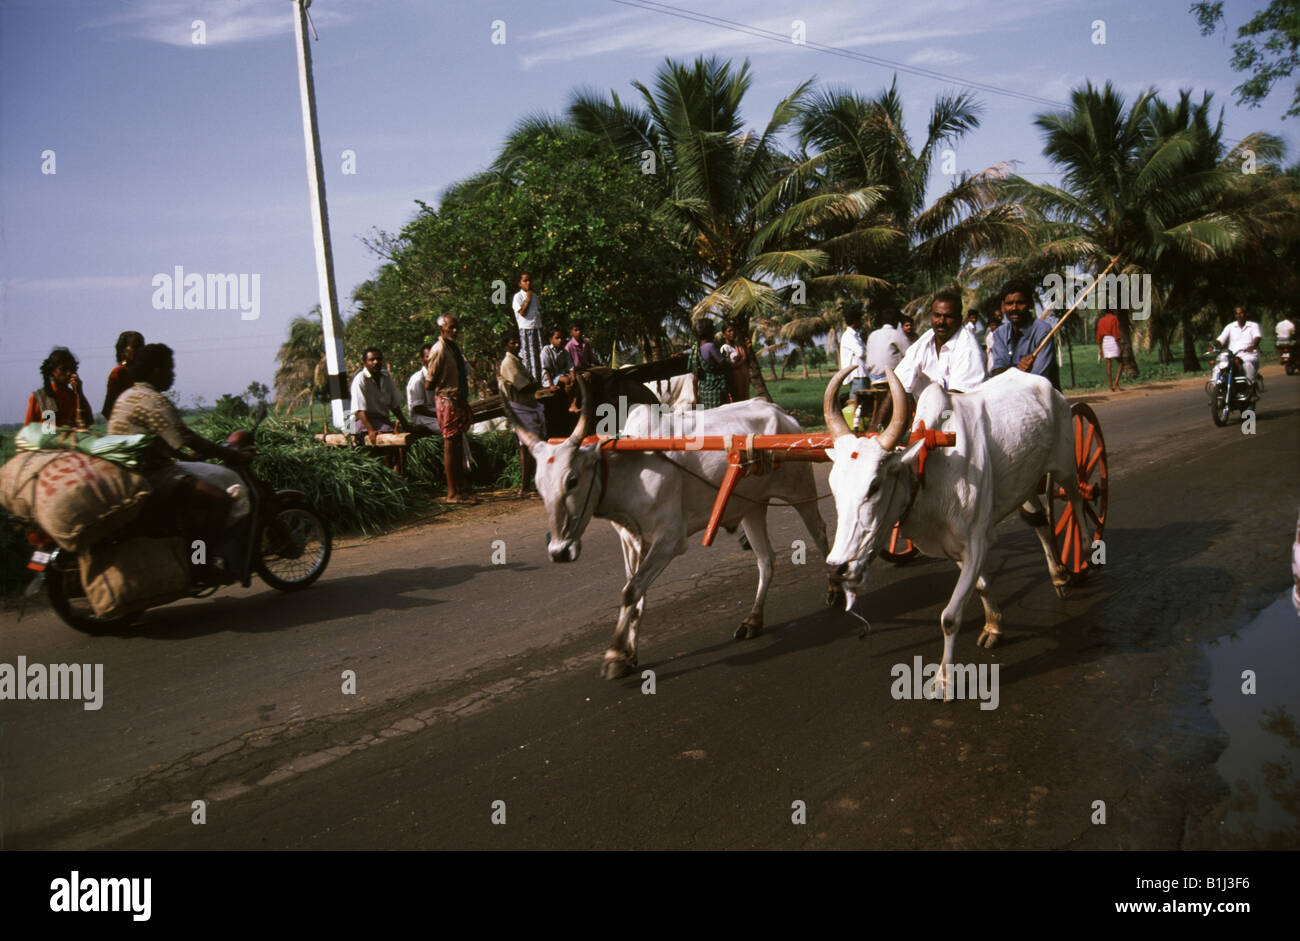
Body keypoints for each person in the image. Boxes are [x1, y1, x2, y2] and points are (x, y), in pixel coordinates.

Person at [107, 343, 238, 581]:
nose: (173, 375)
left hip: (127, 472)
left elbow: (160, 439)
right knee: (219, 499)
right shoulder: (153, 400)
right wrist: (231, 455)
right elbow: (187, 437)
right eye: (170, 369)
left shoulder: (128, 395)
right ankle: (202, 564)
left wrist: (184, 457)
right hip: (150, 475)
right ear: (157, 371)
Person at [893, 291, 987, 400]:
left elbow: (954, 404)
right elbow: (896, 386)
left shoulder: (968, 349)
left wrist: (939, 418)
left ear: (960, 319)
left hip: (957, 412)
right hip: (928, 412)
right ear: (931, 316)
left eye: (948, 316)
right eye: (937, 315)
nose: (941, 321)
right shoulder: (924, 342)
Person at [426, 314, 476, 504]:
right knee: (450, 445)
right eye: (451, 328)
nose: (455, 331)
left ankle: (459, 488)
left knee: (456, 445)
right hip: (447, 400)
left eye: (457, 328)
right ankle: (451, 493)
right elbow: (429, 383)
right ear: (442, 328)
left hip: (456, 400)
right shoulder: (439, 350)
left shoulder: (453, 347)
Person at [989, 279, 1060, 391]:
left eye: (1020, 303)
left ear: (1030, 304)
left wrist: (1010, 373)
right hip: (1008, 395)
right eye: (1009, 303)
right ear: (1003, 306)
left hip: (1041, 397)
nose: (1014, 308)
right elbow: (997, 371)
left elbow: (1038, 379)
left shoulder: (1042, 331)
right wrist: (1017, 371)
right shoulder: (1000, 333)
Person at [499, 330, 545, 498]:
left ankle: (530, 484)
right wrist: (535, 383)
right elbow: (524, 386)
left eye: (518, 342)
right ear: (506, 345)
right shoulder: (508, 363)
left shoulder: (517, 361)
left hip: (527, 406)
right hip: (520, 407)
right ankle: (524, 487)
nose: (517, 345)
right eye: (513, 343)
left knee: (531, 446)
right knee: (526, 447)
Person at [349, 348, 408, 445]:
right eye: (372, 360)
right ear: (364, 363)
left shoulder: (385, 376)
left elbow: (394, 404)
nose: (376, 362)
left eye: (379, 359)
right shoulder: (360, 380)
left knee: (402, 432)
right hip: (364, 422)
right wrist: (371, 430)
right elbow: (359, 410)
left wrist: (405, 423)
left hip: (382, 421)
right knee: (390, 435)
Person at [24, 347, 93, 429]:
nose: (68, 373)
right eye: (63, 369)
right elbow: (48, 431)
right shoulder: (43, 396)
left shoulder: (73, 396)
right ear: (52, 371)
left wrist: (79, 393)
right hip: (50, 440)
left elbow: (88, 422)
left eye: (71, 369)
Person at [864, 315, 910, 431]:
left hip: (873, 377)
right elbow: (910, 352)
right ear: (895, 322)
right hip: (889, 378)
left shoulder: (873, 335)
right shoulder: (896, 334)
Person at [1213, 303, 1263, 392]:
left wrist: (1254, 345)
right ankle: (1216, 390)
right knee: (1218, 366)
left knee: (1247, 364)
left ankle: (1251, 388)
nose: (1239, 315)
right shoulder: (1230, 326)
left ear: (1246, 314)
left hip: (1248, 354)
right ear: (1235, 315)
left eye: (1241, 313)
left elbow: (1257, 337)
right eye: (1237, 313)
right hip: (1232, 355)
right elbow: (1221, 339)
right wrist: (1215, 344)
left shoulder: (1253, 325)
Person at [838, 308, 869, 430]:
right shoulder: (849, 336)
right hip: (857, 374)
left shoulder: (856, 335)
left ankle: (861, 427)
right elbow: (861, 352)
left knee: (863, 403)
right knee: (857, 403)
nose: (861, 322)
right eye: (860, 320)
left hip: (862, 373)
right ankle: (855, 428)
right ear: (855, 321)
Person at [687, 319, 729, 410]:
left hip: (704, 392)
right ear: (709, 331)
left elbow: (695, 379)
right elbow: (724, 364)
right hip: (716, 392)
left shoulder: (696, 348)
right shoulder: (710, 346)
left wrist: (696, 398)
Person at [512, 271, 545, 384]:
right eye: (525, 281)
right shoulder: (518, 296)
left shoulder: (535, 295)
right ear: (519, 283)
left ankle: (543, 380)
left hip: (537, 328)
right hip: (526, 329)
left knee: (540, 354)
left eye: (529, 280)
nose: (528, 283)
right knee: (529, 357)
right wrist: (527, 300)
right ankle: (533, 382)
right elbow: (521, 313)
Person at [103, 330, 143, 419]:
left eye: (142, 347)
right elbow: (107, 410)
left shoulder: (143, 374)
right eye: (135, 348)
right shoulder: (119, 373)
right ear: (123, 351)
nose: (140, 351)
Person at [540, 327, 579, 413]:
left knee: (577, 379)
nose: (560, 340)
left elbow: (570, 366)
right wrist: (551, 385)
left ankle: (574, 403)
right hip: (550, 377)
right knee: (566, 380)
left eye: (561, 338)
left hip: (560, 374)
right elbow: (546, 369)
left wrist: (573, 377)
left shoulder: (564, 351)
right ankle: (569, 403)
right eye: (557, 338)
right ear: (550, 340)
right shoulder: (546, 350)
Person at [406, 343, 440, 436]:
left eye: (435, 356)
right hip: (421, 417)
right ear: (422, 360)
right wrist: (438, 415)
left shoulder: (438, 376)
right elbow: (418, 408)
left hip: (435, 413)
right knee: (448, 429)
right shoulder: (418, 379)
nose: (432, 359)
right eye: (428, 357)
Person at [719, 322, 750, 403]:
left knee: (745, 400)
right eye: (729, 331)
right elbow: (727, 366)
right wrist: (741, 360)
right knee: (737, 401)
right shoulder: (725, 348)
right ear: (724, 334)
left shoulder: (737, 347)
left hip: (743, 378)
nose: (732, 333)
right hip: (734, 379)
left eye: (733, 330)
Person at [1095, 309, 1123, 392]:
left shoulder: (1101, 320)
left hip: (1105, 341)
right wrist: (1118, 344)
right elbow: (1115, 332)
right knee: (1121, 363)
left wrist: (1100, 348)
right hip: (1112, 340)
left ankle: (1111, 385)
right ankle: (1116, 383)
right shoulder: (1114, 319)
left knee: (1108, 363)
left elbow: (1099, 334)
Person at [983, 307, 1003, 374]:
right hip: (994, 360)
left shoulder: (1003, 327)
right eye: (997, 316)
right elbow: (992, 348)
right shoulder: (989, 334)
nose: (999, 317)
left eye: (1000, 316)